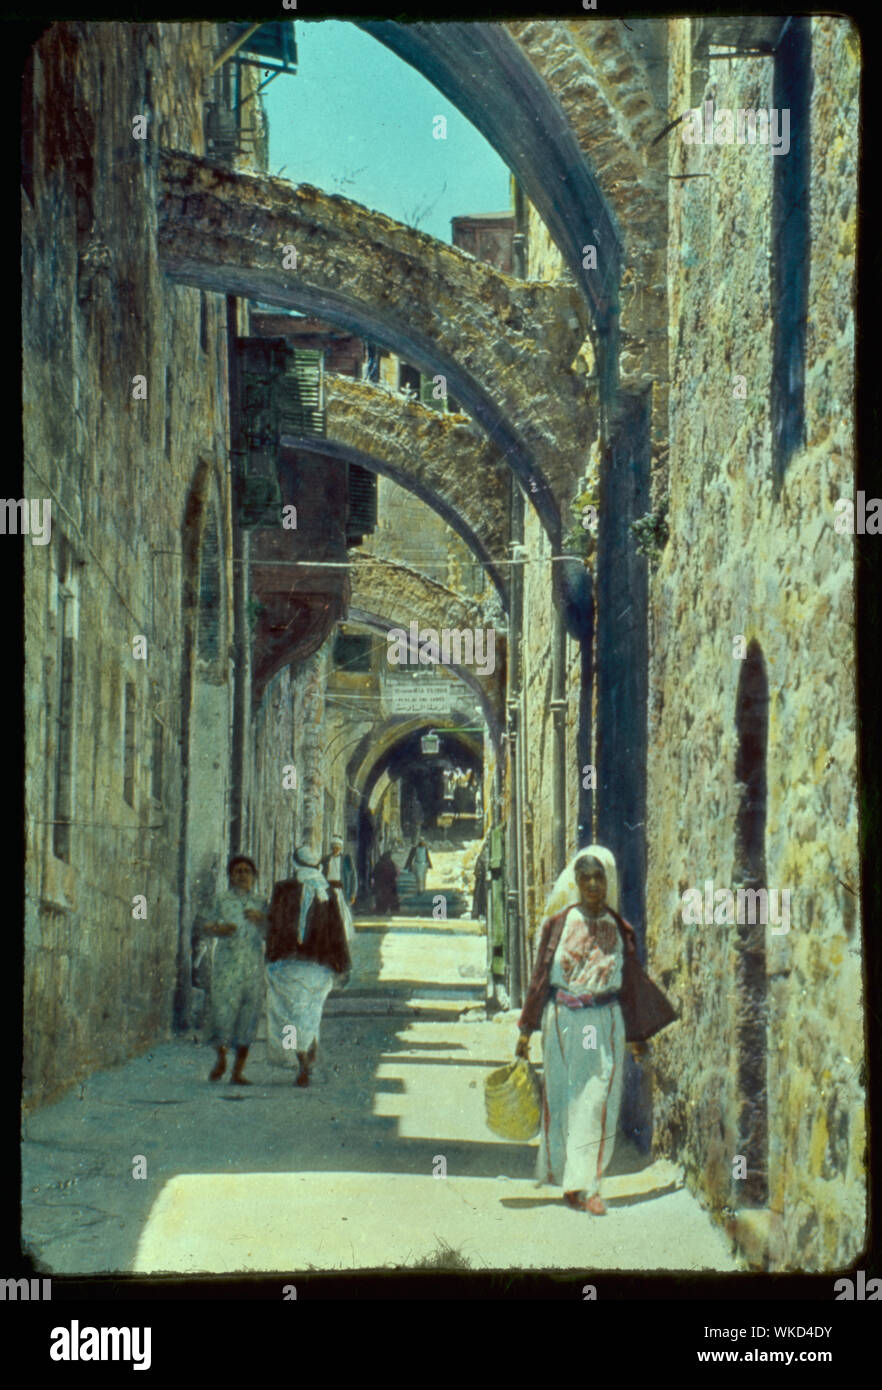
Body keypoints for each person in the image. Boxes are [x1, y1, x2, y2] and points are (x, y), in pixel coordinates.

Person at [515, 845, 646, 1216]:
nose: (592, 884)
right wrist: (525, 1031)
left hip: (604, 1020)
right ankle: (572, 1180)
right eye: (585, 877)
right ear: (576, 881)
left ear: (609, 881)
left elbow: (631, 987)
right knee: (562, 1100)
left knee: (597, 1098)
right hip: (562, 1021)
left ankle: (589, 1185)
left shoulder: (621, 931)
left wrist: (637, 1038)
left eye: (599, 877)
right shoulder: (558, 926)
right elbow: (541, 978)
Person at [265, 845, 351, 1087]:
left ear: (294, 863)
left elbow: (273, 926)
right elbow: (337, 933)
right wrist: (342, 965)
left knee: (287, 1016)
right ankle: (306, 1058)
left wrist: (269, 958)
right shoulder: (327, 892)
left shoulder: (282, 889)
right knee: (309, 1015)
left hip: (286, 965)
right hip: (317, 967)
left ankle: (299, 1060)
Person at [198, 855, 269, 1085]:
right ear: (230, 875)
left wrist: (262, 919)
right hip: (227, 966)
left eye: (247, 871)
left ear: (253, 876)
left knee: (248, 1016)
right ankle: (221, 1059)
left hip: (252, 965)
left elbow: (271, 932)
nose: (242, 875)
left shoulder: (260, 902)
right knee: (223, 1013)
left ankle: (238, 1071)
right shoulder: (221, 900)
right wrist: (220, 928)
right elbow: (204, 926)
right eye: (238, 871)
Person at [321, 833, 357, 945]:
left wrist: (352, 893)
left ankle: (342, 936)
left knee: (342, 914)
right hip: (329, 890)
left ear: (341, 848)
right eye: (334, 847)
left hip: (341, 891)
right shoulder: (326, 859)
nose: (335, 849)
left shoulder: (346, 859)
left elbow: (353, 877)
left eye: (338, 847)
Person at [372, 850, 400, 914]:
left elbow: (374, 874)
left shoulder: (379, 863)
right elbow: (395, 873)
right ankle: (392, 908)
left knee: (382, 897)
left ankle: (381, 909)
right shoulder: (391, 864)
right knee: (391, 897)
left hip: (382, 884)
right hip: (388, 884)